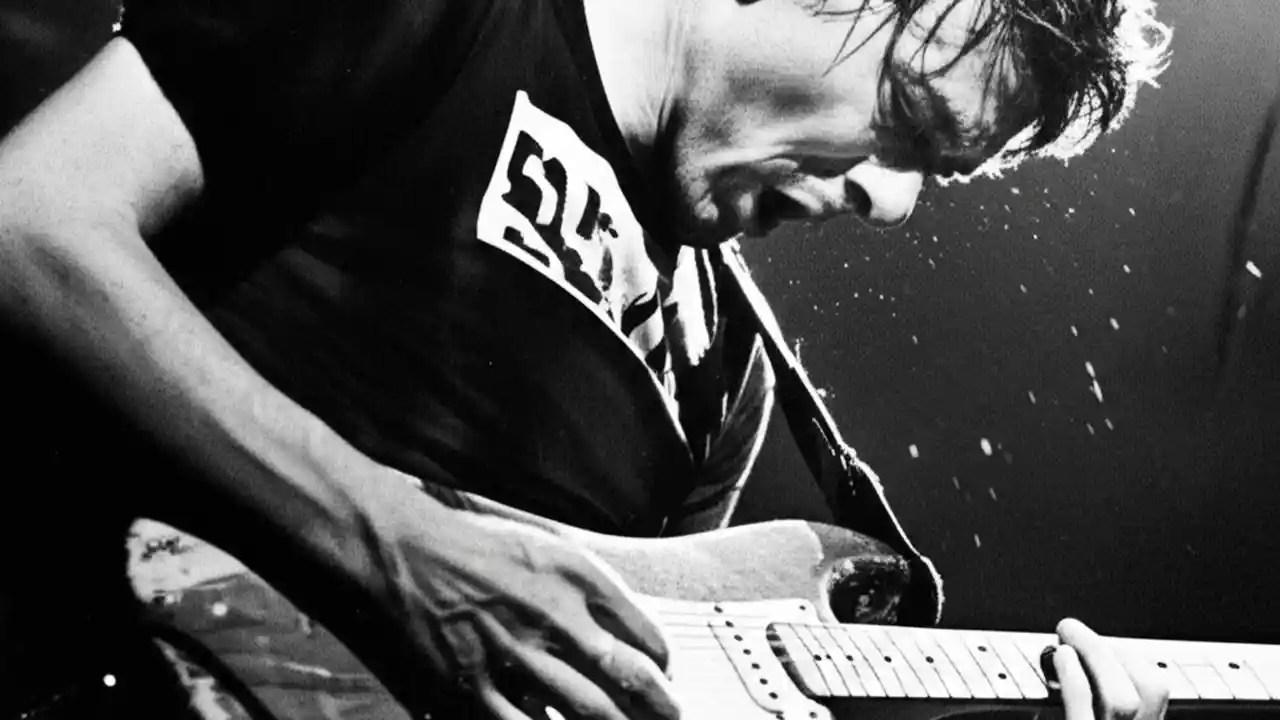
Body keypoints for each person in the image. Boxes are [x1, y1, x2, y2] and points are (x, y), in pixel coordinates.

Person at [0, 0, 1172, 718]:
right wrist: (380, 539)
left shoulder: (729, 374)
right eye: (906, 122)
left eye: (939, 173)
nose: (888, 199)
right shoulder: (456, 16)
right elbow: (28, 222)